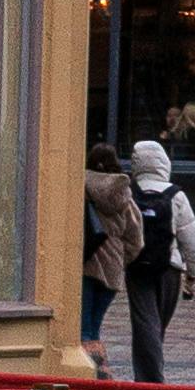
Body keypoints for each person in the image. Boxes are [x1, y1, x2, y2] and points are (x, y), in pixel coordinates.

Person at [120, 135, 179, 387]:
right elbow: (190, 237)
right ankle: (152, 376)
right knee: (158, 323)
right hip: (170, 267)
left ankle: (148, 377)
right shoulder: (176, 195)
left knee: (145, 322)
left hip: (138, 266)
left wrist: (127, 256)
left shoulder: (130, 193)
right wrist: (194, 271)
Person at [81, 149, 145, 375]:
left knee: (83, 327)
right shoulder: (124, 197)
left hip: (87, 262)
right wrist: (120, 257)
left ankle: (89, 372)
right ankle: (99, 370)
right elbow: (136, 240)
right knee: (95, 325)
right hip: (113, 267)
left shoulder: (81, 186)